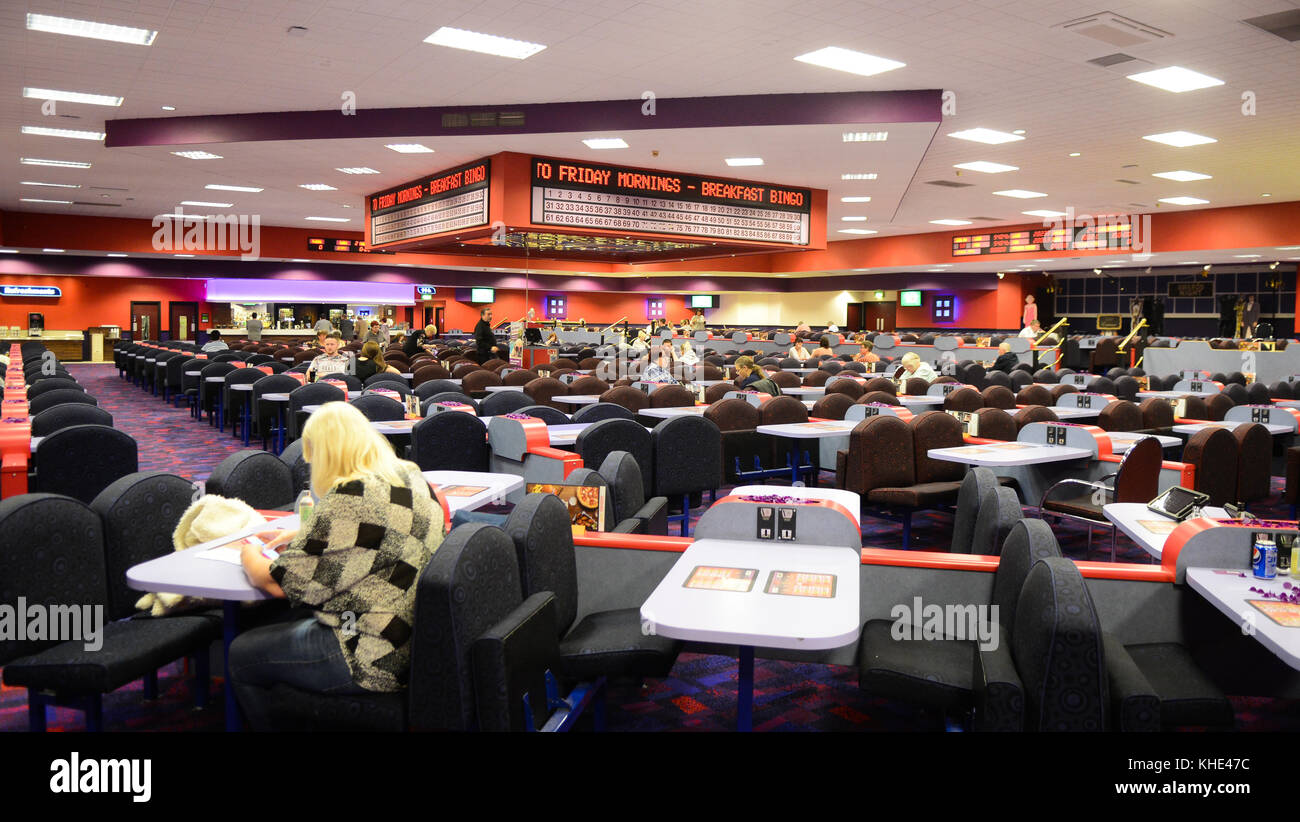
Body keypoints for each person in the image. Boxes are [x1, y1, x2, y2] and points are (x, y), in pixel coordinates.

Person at [229, 402, 444, 730]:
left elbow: (276, 582)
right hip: (413, 639)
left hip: (366, 649)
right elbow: (381, 530)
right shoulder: (408, 475)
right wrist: (304, 532)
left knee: (242, 654)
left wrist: (248, 552)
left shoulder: (350, 495)